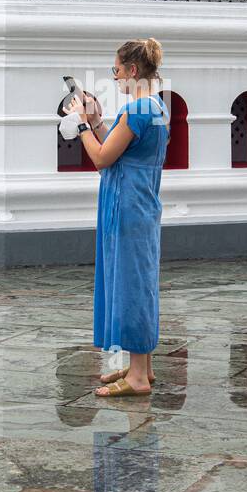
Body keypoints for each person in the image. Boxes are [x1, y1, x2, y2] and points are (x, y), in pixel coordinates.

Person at [67, 39, 169, 397]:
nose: (114, 77)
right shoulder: (155, 106)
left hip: (127, 205)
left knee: (131, 284)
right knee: (138, 281)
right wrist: (96, 121)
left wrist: (81, 125)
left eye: (116, 70)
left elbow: (101, 159)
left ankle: (138, 377)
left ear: (133, 71)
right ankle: (143, 366)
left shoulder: (137, 110)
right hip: (139, 201)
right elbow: (117, 152)